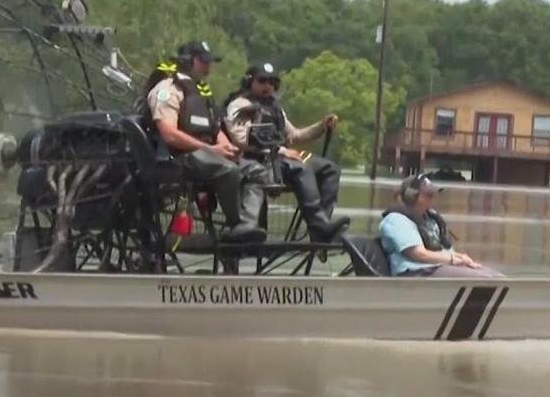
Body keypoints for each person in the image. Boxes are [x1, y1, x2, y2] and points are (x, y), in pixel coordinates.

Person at [146, 41, 271, 243]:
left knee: (256, 171)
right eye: (204, 61)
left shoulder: (201, 93)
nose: (209, 66)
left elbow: (215, 128)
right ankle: (235, 224)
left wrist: (227, 147)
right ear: (188, 61)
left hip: (208, 154)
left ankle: (247, 225)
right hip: (178, 157)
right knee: (228, 170)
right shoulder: (168, 90)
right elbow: (169, 133)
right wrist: (211, 149)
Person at [223, 61, 350, 243]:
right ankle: (318, 224)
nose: (268, 86)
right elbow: (241, 140)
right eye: (262, 81)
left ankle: (322, 224)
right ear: (250, 81)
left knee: (330, 169)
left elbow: (295, 135)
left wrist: (322, 126)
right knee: (301, 167)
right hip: (257, 161)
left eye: (272, 82)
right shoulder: (240, 105)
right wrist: (281, 150)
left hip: (279, 160)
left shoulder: (275, 108)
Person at [378, 173, 503, 278]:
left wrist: (463, 260)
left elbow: (444, 251)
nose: (433, 198)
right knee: (484, 279)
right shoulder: (396, 220)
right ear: (412, 196)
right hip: (416, 271)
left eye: (433, 194)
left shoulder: (430, 219)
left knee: (494, 276)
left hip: (437, 267)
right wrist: (453, 259)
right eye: (428, 195)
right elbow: (418, 254)